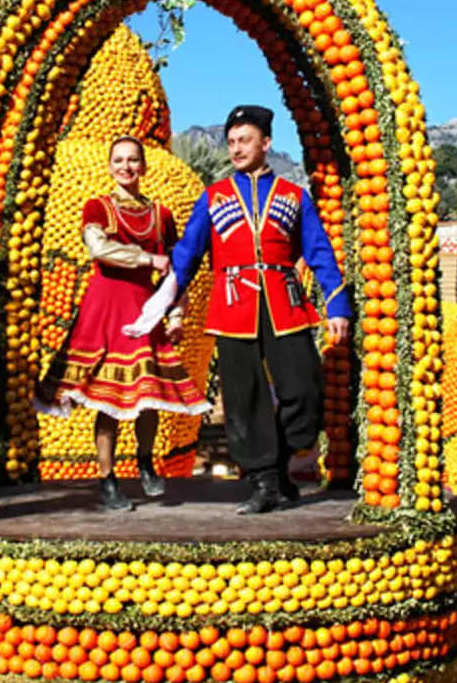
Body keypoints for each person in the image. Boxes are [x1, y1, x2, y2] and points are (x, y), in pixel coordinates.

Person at [168, 105, 351, 515]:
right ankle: (265, 480)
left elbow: (319, 251)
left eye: (244, 140)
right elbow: (188, 252)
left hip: (285, 302)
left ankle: (280, 462)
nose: (236, 149)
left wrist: (336, 305)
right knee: (243, 397)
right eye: (231, 142)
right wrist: (169, 295)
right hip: (233, 306)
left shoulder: (293, 196)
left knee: (305, 389)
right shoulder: (213, 198)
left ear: (266, 144)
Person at [36, 135, 211, 511]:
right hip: (105, 307)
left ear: (143, 166)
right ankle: (107, 479)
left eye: (133, 160)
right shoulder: (97, 208)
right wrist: (147, 260)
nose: (126, 167)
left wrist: (176, 314)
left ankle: (145, 461)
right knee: (106, 399)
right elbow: (99, 249)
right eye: (119, 160)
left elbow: (176, 271)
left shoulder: (161, 215)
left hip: (143, 307)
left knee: (148, 395)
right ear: (110, 165)